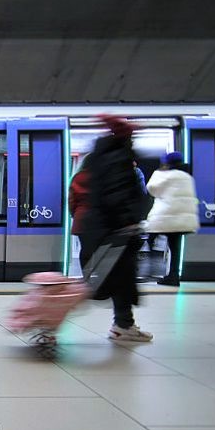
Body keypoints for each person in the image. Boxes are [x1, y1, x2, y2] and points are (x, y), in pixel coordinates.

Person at [69, 115, 154, 342]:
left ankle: (123, 323)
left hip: (91, 227)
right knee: (110, 281)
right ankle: (122, 324)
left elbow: (74, 202)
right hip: (116, 230)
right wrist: (130, 220)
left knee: (109, 279)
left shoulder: (96, 160)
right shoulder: (119, 158)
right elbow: (119, 195)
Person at [144, 152, 199, 287]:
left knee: (151, 238)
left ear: (167, 163)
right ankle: (173, 276)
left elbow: (151, 189)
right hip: (181, 220)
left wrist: (158, 172)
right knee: (175, 247)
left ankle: (151, 269)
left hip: (165, 216)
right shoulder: (187, 176)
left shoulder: (165, 174)